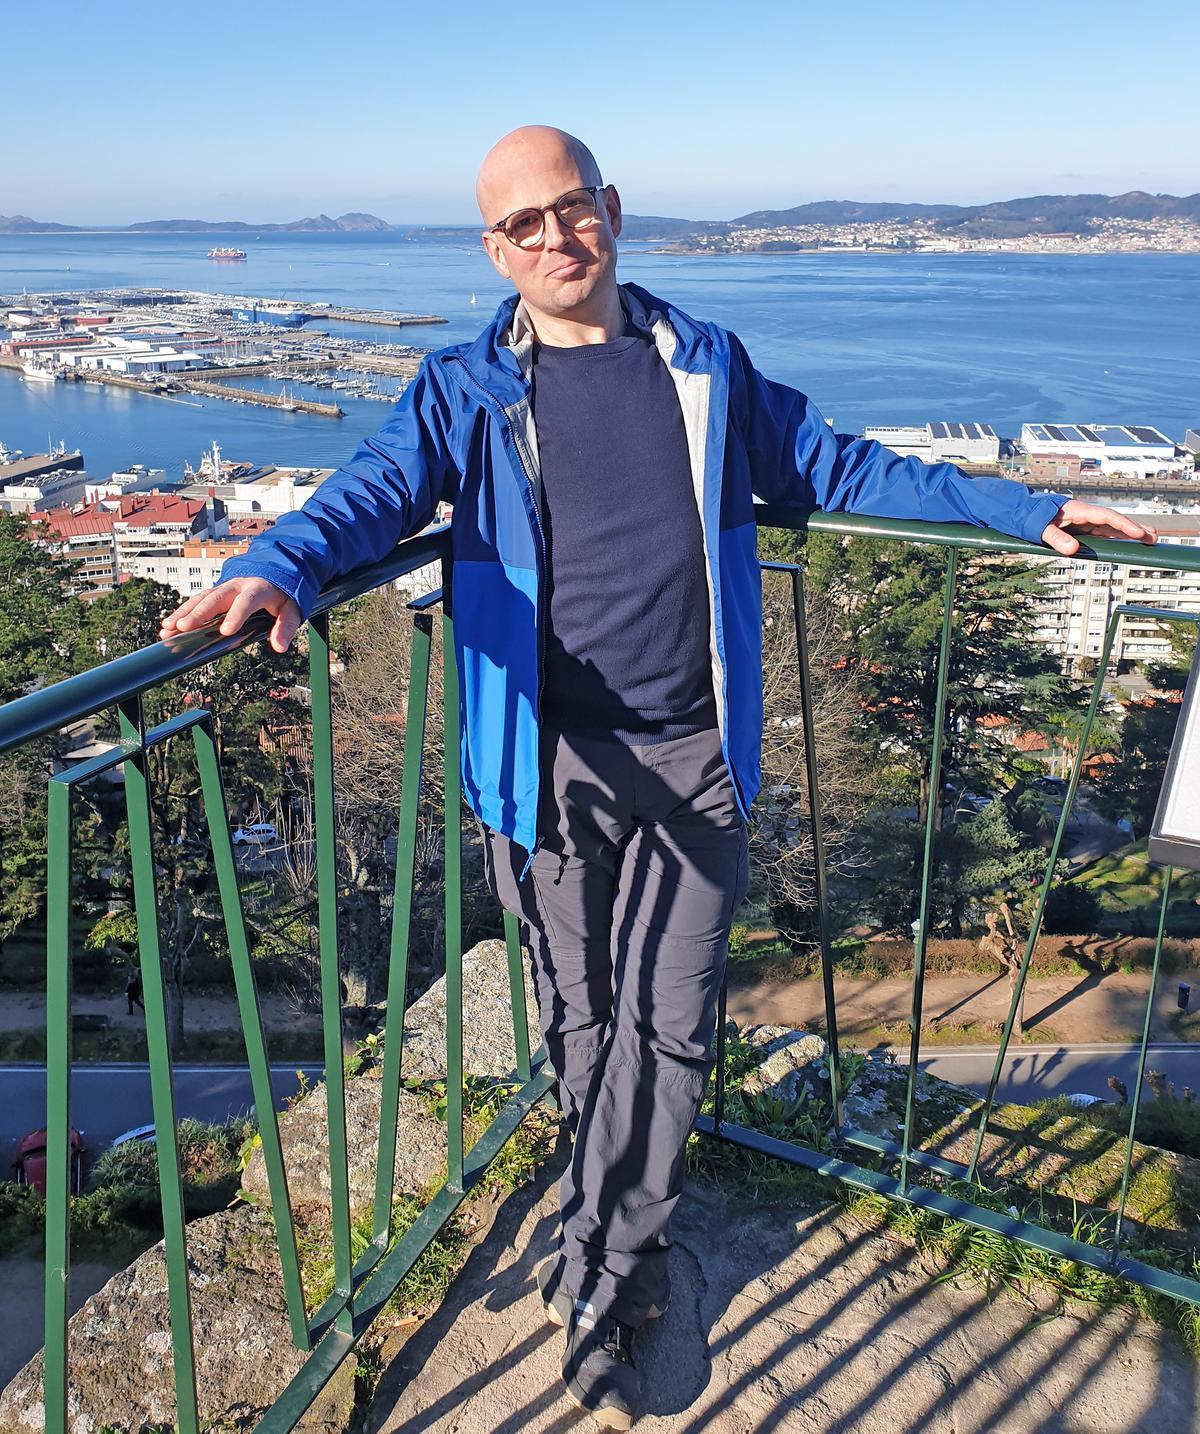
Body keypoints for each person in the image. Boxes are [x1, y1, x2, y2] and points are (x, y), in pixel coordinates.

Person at [159, 126, 1155, 1429]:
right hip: (547, 767)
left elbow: (842, 463)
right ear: (494, 250)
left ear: (612, 210)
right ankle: (603, 1220)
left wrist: (1022, 507)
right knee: (581, 1023)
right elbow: (370, 492)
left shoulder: (706, 367)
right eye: (526, 225)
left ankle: (607, 1277)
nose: (559, 237)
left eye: (574, 208)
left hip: (695, 755)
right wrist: (283, 563)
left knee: (672, 1031)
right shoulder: (463, 388)